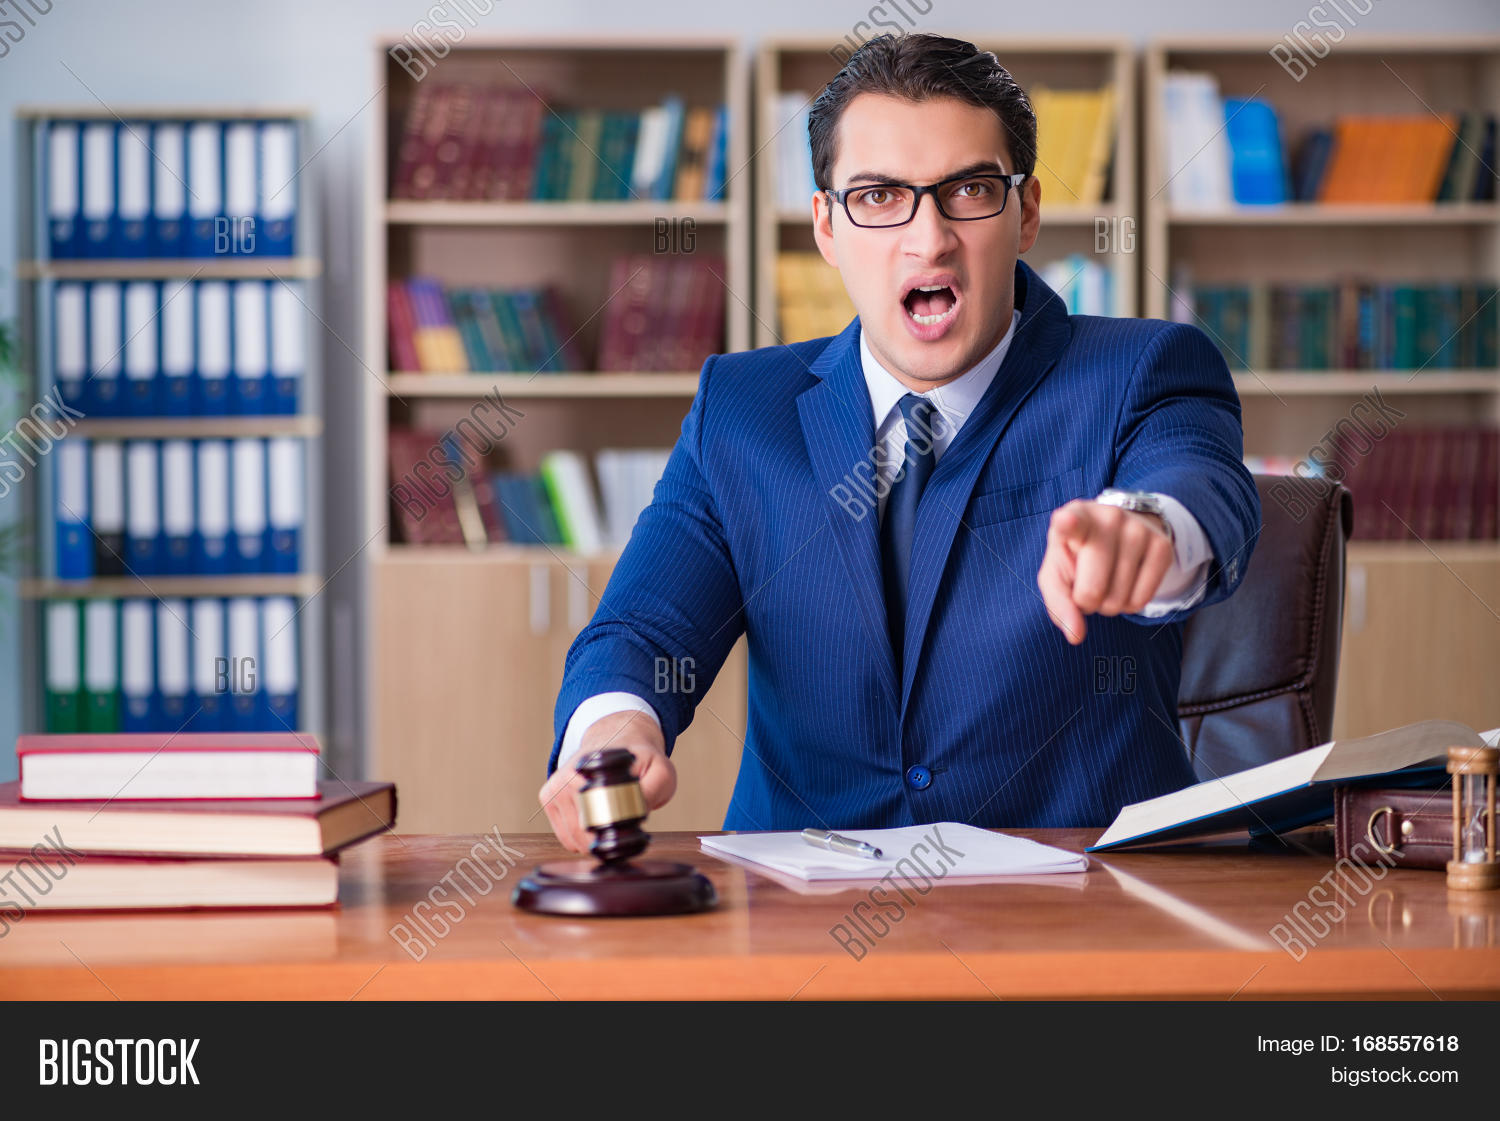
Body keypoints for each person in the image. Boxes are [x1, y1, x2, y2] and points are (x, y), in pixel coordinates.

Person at [538, 32, 1259, 851]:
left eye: (970, 190)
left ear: (1025, 214)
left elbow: (1205, 487)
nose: (929, 239)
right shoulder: (741, 412)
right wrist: (614, 730)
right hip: (796, 927)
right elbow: (643, 632)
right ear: (827, 227)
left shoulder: (1141, 369)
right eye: (880, 197)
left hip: (1079, 917)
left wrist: (1150, 531)